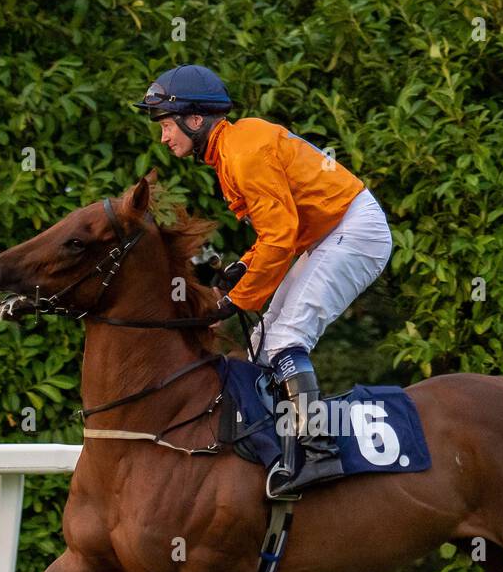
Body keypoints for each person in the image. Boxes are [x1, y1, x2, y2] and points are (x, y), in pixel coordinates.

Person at [133, 64, 392, 497]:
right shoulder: (233, 148)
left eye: (165, 124)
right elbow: (277, 232)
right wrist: (242, 270)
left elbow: (281, 235)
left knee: (289, 334)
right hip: (331, 232)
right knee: (270, 337)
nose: (163, 137)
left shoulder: (243, 152)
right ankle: (277, 442)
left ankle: (319, 452)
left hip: (352, 230)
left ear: (194, 119)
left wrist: (234, 299)